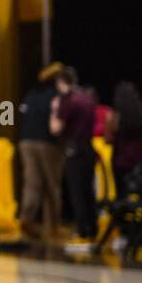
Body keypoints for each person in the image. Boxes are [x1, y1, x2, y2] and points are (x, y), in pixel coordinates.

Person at [50, 67, 98, 253]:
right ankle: (93, 230)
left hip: (74, 150)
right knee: (89, 192)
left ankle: (82, 232)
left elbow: (56, 128)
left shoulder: (66, 100)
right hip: (89, 148)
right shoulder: (87, 97)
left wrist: (54, 110)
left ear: (61, 82)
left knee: (77, 193)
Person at [17, 63, 65, 241]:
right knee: (52, 185)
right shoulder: (56, 96)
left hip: (26, 142)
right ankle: (53, 225)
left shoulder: (30, 94)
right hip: (47, 143)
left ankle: (26, 219)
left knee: (32, 184)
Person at [105, 82, 142, 199]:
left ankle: (120, 216)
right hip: (138, 159)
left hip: (120, 160)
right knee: (138, 192)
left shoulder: (114, 116)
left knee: (120, 193)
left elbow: (108, 139)